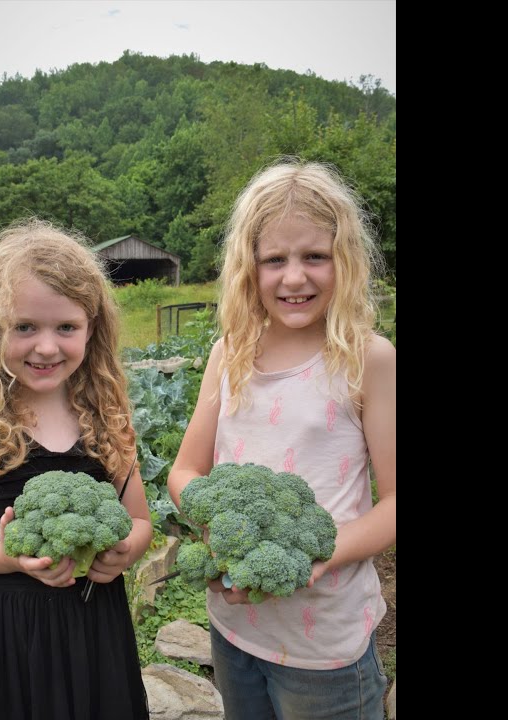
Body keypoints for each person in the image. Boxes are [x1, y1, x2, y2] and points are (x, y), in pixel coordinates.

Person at [168, 159, 396, 719]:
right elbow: (185, 472)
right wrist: (218, 535)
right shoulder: (230, 353)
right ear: (248, 268)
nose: (294, 278)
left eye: (315, 256)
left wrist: (315, 557)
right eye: (275, 260)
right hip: (234, 630)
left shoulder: (367, 359)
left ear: (345, 260)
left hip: (326, 649)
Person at [0, 218, 152, 720]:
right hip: (0, 640)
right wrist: (5, 557)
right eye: (24, 327)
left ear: (92, 329)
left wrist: (125, 550)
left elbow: (139, 521)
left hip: (92, 632)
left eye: (66, 327)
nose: (46, 347)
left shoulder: (109, 418)